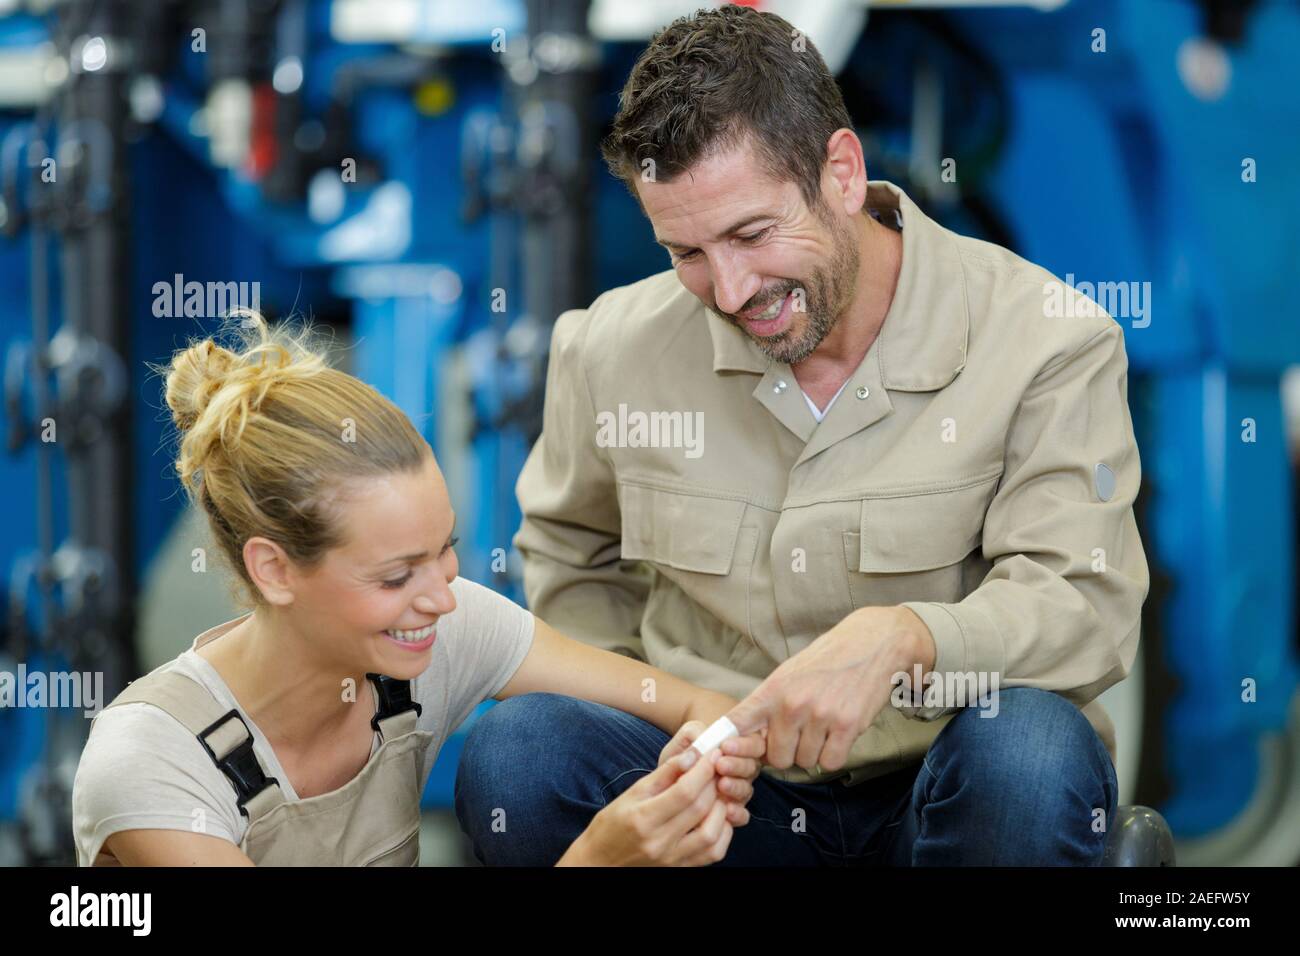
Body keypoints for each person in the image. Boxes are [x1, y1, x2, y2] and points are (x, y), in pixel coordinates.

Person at [454, 5, 1148, 865]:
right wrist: (664, 718)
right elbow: (574, 559)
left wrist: (908, 637)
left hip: (942, 787)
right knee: (520, 751)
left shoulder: (1047, 340)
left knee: (1033, 749)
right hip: (727, 801)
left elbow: (1081, 603)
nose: (731, 287)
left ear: (843, 173)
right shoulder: (608, 349)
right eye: (686, 252)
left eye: (752, 233)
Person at [71, 315, 764, 866]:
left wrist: (706, 762)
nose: (442, 596)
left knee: (527, 747)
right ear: (273, 570)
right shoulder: (154, 761)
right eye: (397, 575)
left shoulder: (433, 633)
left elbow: (692, 703)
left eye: (447, 550)